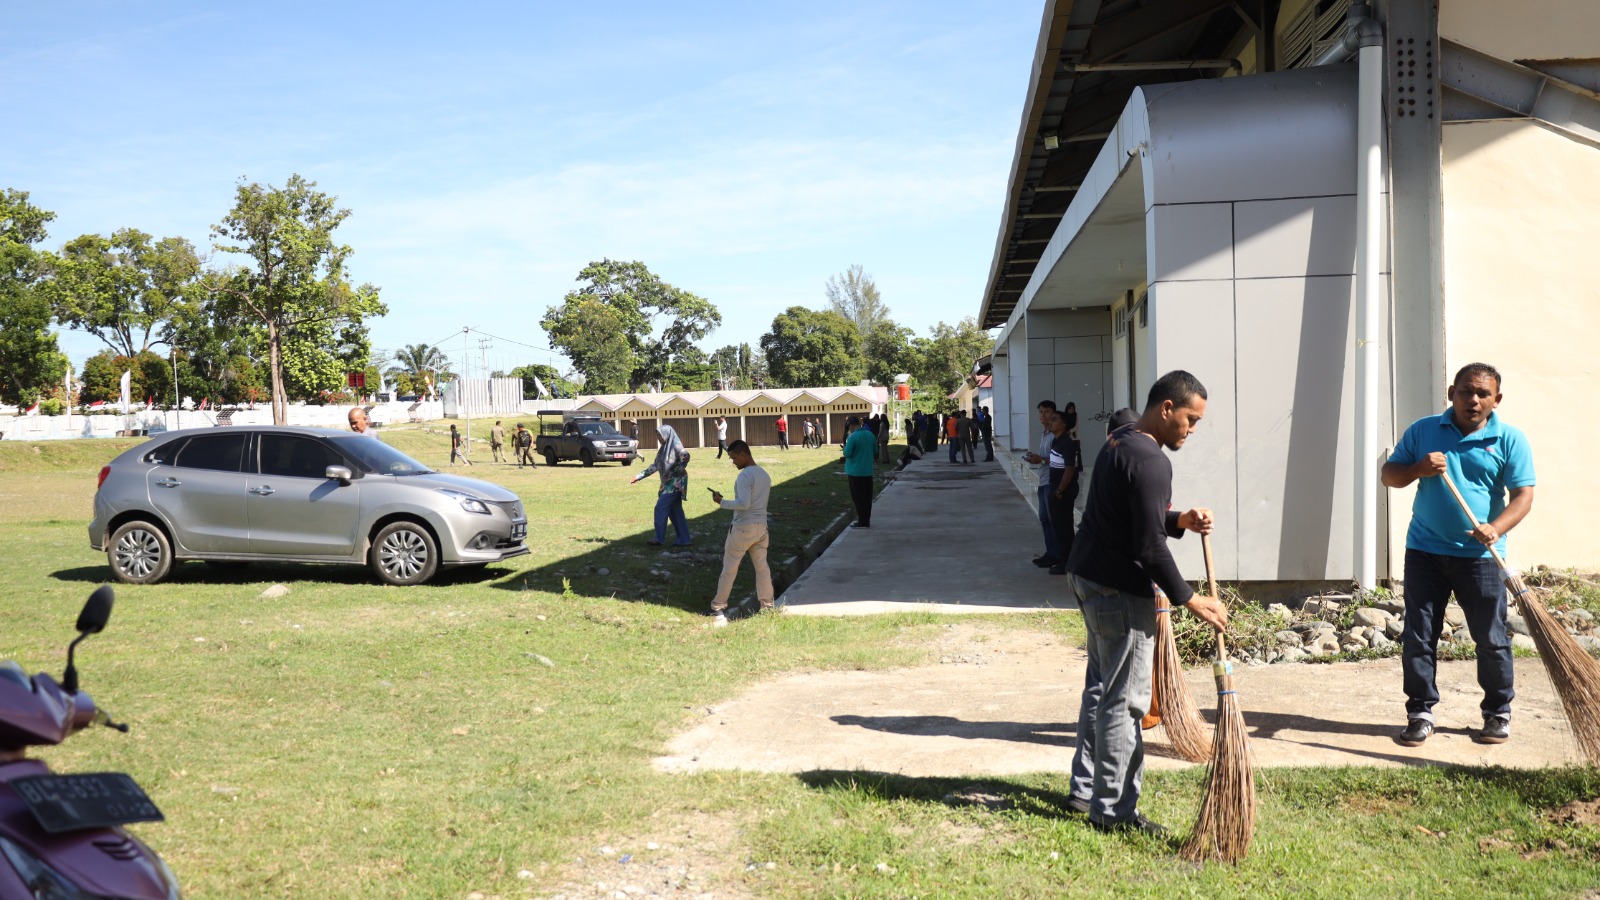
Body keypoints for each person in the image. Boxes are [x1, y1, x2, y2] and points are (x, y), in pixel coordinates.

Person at [1064, 370, 1228, 835]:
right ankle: (1113, 811)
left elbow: (1137, 519)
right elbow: (1148, 548)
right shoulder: (1153, 462)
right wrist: (1191, 600)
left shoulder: (1122, 440)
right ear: (1167, 409)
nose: (1192, 431)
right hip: (1117, 589)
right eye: (1190, 420)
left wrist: (1180, 519)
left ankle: (1085, 789)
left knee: (1100, 689)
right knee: (1126, 703)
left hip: (1087, 575)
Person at [1382, 362, 1535, 747]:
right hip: (1425, 551)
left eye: (1483, 394)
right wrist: (1419, 467)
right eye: (1467, 391)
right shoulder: (1424, 430)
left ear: (1496, 400)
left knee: (1491, 637)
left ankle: (1498, 712)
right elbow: (1390, 475)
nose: (1474, 400)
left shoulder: (1509, 440)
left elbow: (1523, 496)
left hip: (1482, 557)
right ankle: (1420, 712)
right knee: (1419, 635)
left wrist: (1496, 528)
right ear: (1452, 393)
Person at [706, 440, 774, 626]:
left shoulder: (745, 476)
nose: (733, 462)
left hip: (743, 527)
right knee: (762, 568)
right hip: (762, 526)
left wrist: (722, 502)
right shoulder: (764, 475)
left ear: (743, 454)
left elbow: (744, 503)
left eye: (734, 458)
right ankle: (767, 605)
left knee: (729, 568)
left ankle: (718, 606)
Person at [631, 424, 692, 546]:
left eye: (660, 434)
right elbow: (655, 466)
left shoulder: (675, 445)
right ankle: (684, 540)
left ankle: (659, 538)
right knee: (675, 512)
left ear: (667, 434)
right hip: (668, 484)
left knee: (660, 508)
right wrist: (639, 476)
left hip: (675, 484)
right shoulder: (663, 449)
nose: (658, 437)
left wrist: (678, 469)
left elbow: (685, 456)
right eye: (657, 434)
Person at [1025, 400, 1062, 567]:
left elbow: (1061, 461)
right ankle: (1051, 552)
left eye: (1046, 412)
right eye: (1040, 412)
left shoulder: (1057, 435)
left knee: (1054, 520)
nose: (1043, 415)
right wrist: (1037, 458)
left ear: (1054, 413)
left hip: (1052, 482)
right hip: (1043, 480)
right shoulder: (1045, 433)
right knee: (1044, 518)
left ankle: (1059, 555)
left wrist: (1042, 460)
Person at [1046, 408, 1081, 575]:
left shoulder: (1067, 443)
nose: (1050, 422)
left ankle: (1067, 562)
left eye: (1054, 419)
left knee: (1065, 528)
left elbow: (1069, 469)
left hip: (1063, 492)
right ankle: (1063, 559)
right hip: (1056, 490)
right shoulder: (1056, 441)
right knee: (1059, 527)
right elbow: (1056, 463)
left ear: (1064, 424)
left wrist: (1060, 490)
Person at [843, 415, 876, 528]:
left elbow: (847, 454)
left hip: (855, 472)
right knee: (867, 498)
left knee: (858, 498)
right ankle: (866, 520)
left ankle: (862, 521)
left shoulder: (852, 437)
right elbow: (876, 451)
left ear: (851, 425)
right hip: (868, 471)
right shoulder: (870, 435)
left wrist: (846, 443)